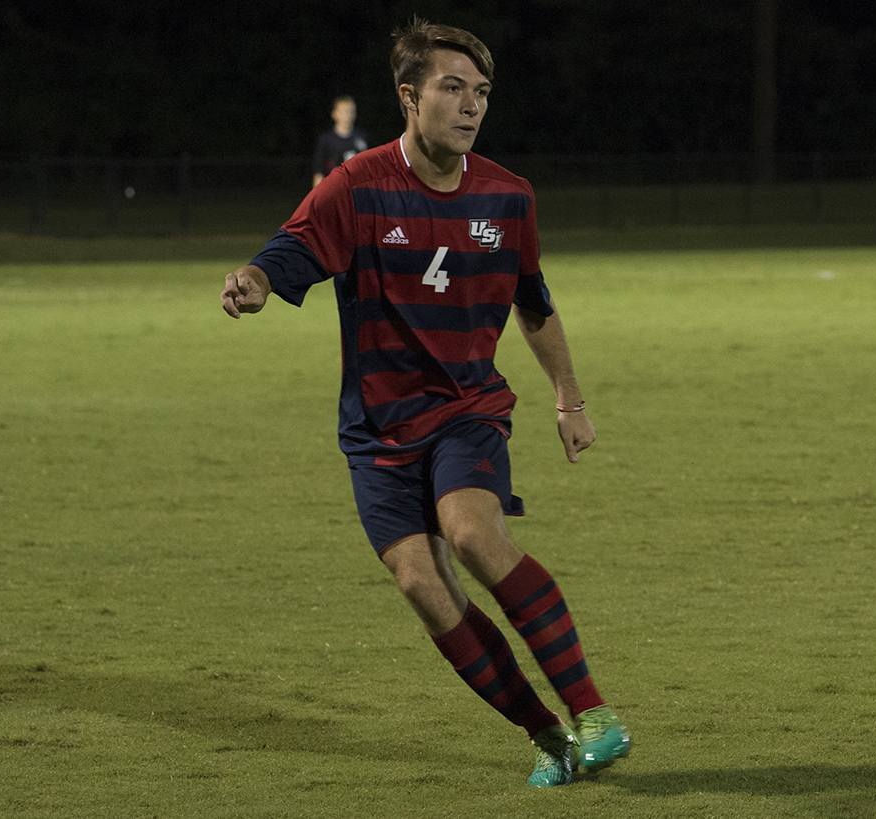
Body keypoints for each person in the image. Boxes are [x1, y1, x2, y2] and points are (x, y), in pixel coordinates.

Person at [221, 18, 630, 788]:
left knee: (471, 532)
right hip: (377, 426)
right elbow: (293, 248)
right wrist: (256, 280)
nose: (471, 105)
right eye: (453, 88)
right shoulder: (360, 184)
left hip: (467, 406)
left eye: (481, 92)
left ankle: (595, 713)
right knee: (421, 583)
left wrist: (568, 399)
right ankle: (549, 737)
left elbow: (533, 304)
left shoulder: (509, 196)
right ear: (409, 97)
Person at [312, 95, 369, 187]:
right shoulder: (326, 139)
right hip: (333, 190)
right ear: (334, 114)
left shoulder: (361, 137)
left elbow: (365, 169)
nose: (348, 115)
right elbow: (319, 172)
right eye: (344, 111)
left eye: (351, 111)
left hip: (354, 192)